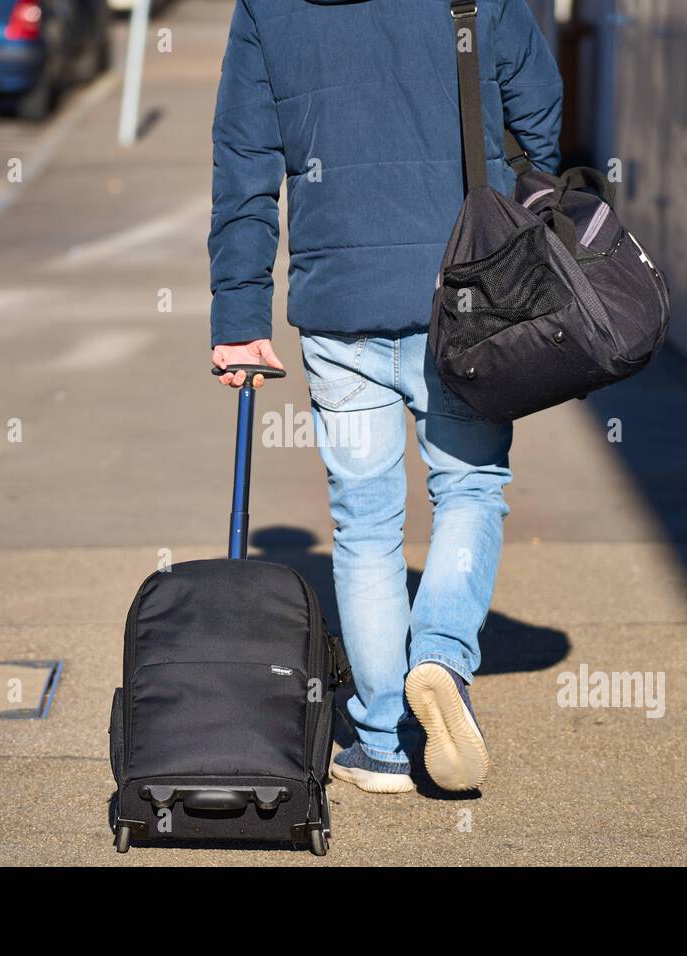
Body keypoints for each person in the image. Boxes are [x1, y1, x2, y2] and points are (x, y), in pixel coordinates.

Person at [208, 0, 562, 793]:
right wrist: (518, 199)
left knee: (365, 526)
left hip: (339, 304)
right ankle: (439, 656)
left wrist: (238, 316)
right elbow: (538, 109)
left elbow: (244, 162)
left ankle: (379, 742)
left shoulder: (269, 7)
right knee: (469, 487)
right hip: (467, 294)